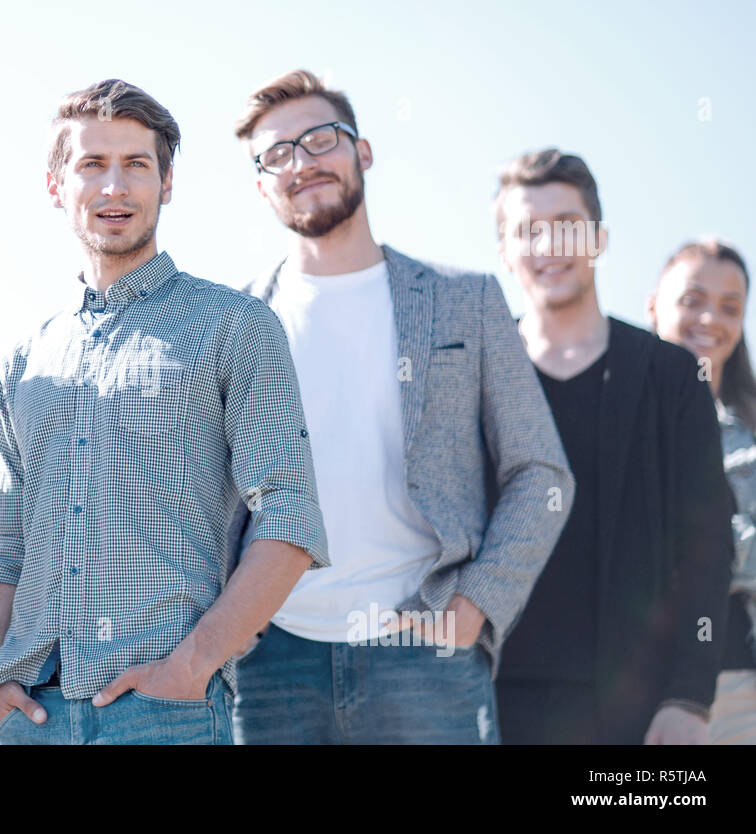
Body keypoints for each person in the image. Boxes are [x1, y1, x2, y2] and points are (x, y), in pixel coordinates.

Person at [0, 78, 327, 745]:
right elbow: (8, 546)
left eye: (136, 165)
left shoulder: (235, 325)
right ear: (56, 186)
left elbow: (289, 515)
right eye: (92, 165)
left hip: (168, 714)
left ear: (166, 184)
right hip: (33, 719)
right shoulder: (22, 364)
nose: (115, 187)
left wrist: (191, 666)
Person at [227, 69, 573, 744]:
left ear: (363, 151)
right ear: (262, 183)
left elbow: (541, 472)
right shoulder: (233, 325)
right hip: (271, 664)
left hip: (426, 651)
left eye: (321, 139)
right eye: (277, 155)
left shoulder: (464, 299)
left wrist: (478, 604)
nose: (303, 163)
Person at [493, 149, 733, 744]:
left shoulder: (671, 377)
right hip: (493, 706)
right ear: (505, 250)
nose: (550, 245)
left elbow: (705, 550)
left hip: (636, 709)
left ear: (598, 238)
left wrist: (688, 699)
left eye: (568, 226)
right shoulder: (480, 377)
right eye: (529, 231)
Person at [648, 238, 756, 744]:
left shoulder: (748, 431)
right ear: (654, 306)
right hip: (624, 676)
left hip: (737, 685)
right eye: (692, 300)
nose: (710, 319)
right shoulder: (615, 413)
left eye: (730, 307)